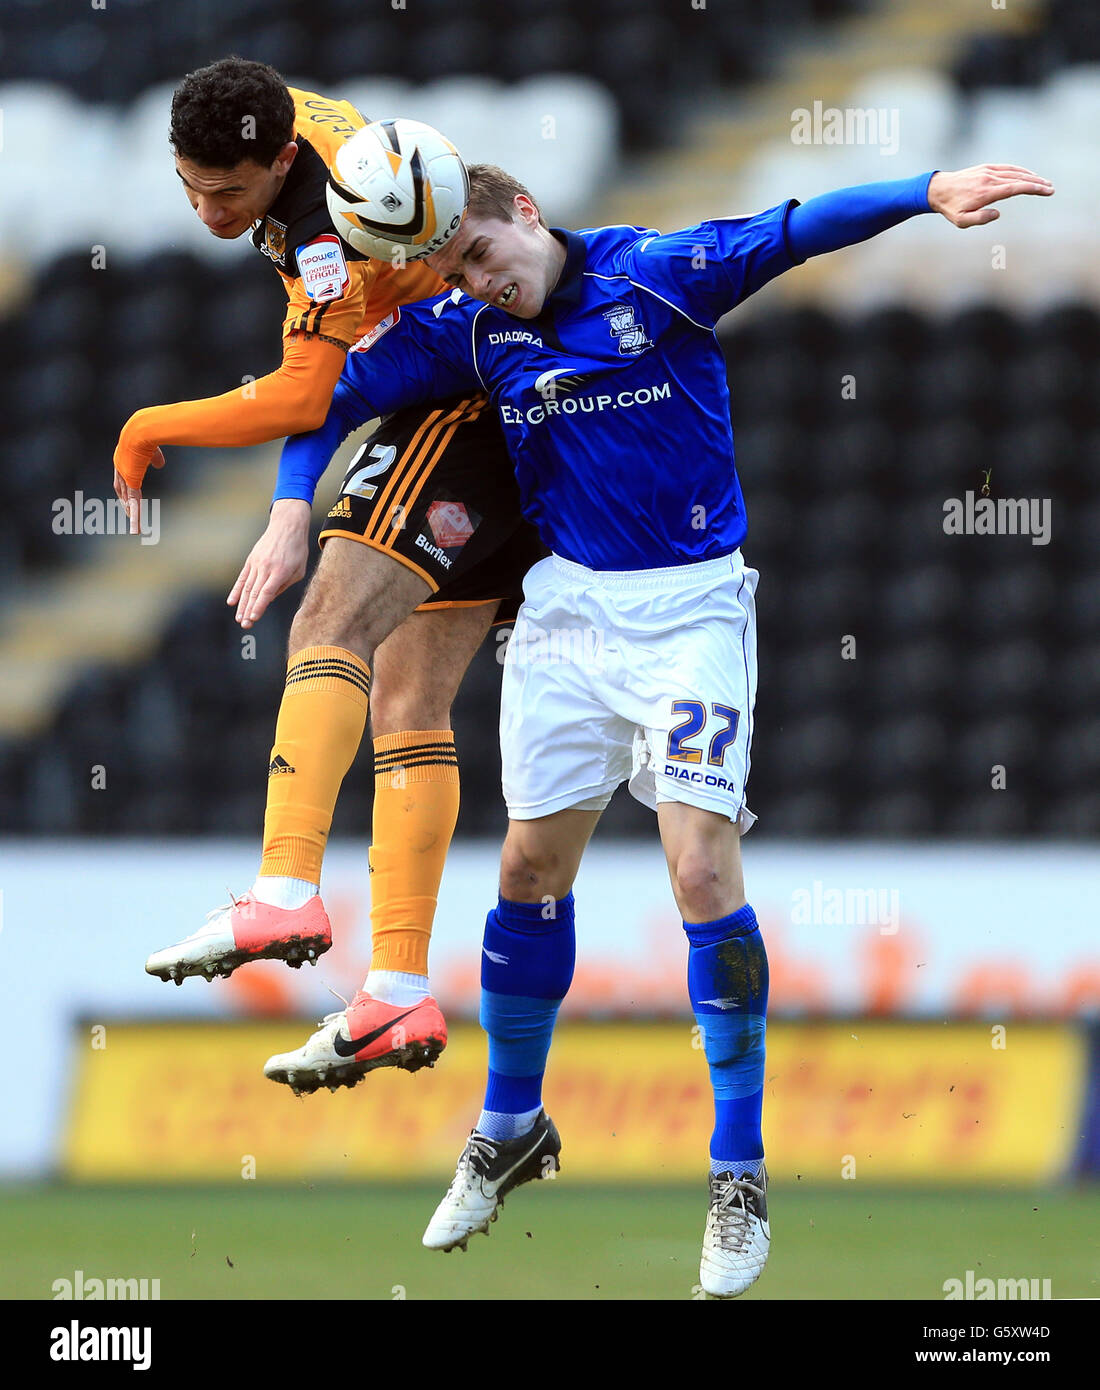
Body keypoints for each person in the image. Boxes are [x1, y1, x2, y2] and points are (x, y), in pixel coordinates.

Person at [261, 159, 1053, 1295]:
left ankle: (736, 1173)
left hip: (685, 615)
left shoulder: (659, 274)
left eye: (483, 257)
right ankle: (508, 1127)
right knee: (528, 869)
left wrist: (927, 190)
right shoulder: (474, 332)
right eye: (456, 273)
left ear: (525, 213)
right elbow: (325, 395)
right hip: (565, 619)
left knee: (696, 869)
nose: (481, 285)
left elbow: (794, 227)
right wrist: (295, 507)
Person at [114, 58, 544, 1079]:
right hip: (489, 382)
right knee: (408, 697)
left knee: (325, 627)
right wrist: (289, 506)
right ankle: (395, 991)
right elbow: (332, 364)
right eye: (189, 187)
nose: (206, 210)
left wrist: (145, 425)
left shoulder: (321, 228)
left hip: (466, 395)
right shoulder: (290, 127)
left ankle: (285, 889)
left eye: (227, 192)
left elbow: (308, 396)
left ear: (275, 164)